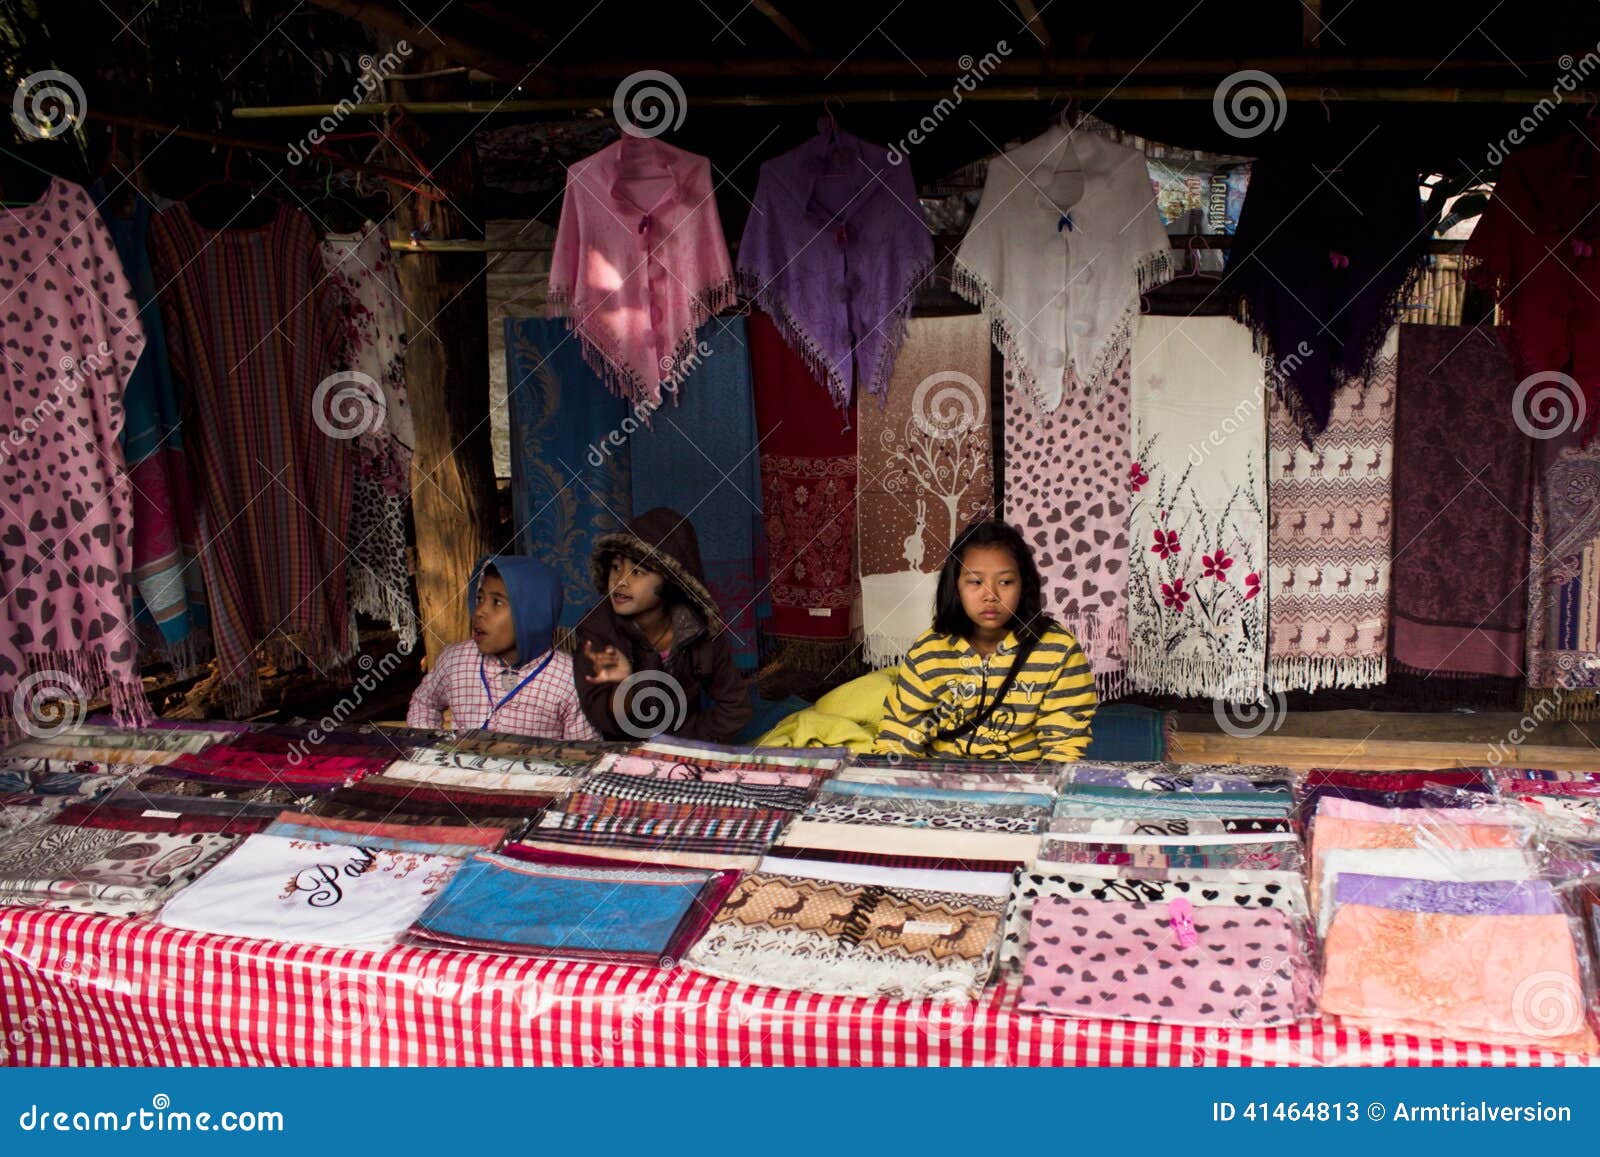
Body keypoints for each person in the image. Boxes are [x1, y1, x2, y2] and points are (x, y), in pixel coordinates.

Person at [874, 518, 1097, 762]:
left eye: (1005, 582)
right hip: (942, 787)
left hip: (1027, 789)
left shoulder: (1058, 650)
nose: (990, 595)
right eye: (975, 582)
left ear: (1024, 585)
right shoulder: (929, 651)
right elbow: (899, 737)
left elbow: (1063, 749)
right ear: (955, 585)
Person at [575, 507, 752, 742]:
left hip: (686, 749)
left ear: (672, 581)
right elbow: (599, 716)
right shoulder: (598, 630)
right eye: (616, 567)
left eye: (638, 571)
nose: (620, 582)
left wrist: (685, 740)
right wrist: (628, 688)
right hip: (625, 753)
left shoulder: (701, 631)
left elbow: (735, 707)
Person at [407, 555, 598, 739]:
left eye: (497, 602)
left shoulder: (570, 680)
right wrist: (429, 749)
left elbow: (583, 752)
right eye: (480, 599)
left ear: (532, 615)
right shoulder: (455, 660)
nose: (480, 611)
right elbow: (424, 703)